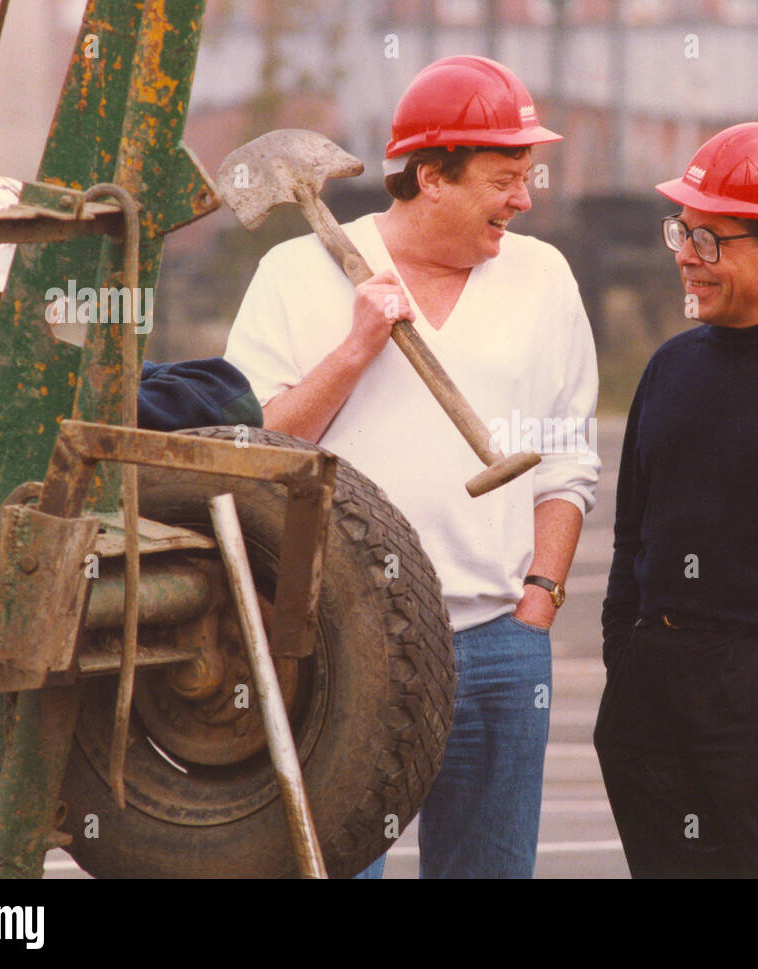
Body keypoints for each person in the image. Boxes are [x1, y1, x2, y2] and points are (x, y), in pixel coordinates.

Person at [223, 55, 599, 878]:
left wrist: (541, 596)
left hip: (499, 645)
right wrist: (353, 350)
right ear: (432, 175)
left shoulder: (544, 279)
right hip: (340, 646)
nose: (524, 199)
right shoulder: (294, 277)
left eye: (528, 175)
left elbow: (566, 459)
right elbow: (253, 451)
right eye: (505, 176)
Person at [593, 122, 758, 877]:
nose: (683, 256)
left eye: (709, 238)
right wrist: (625, 653)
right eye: (681, 231)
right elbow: (633, 534)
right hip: (655, 691)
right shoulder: (671, 367)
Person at [0, 174, 263, 538]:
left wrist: (92, 413)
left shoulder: (68, 382)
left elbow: (232, 398)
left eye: (34, 307)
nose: (18, 328)